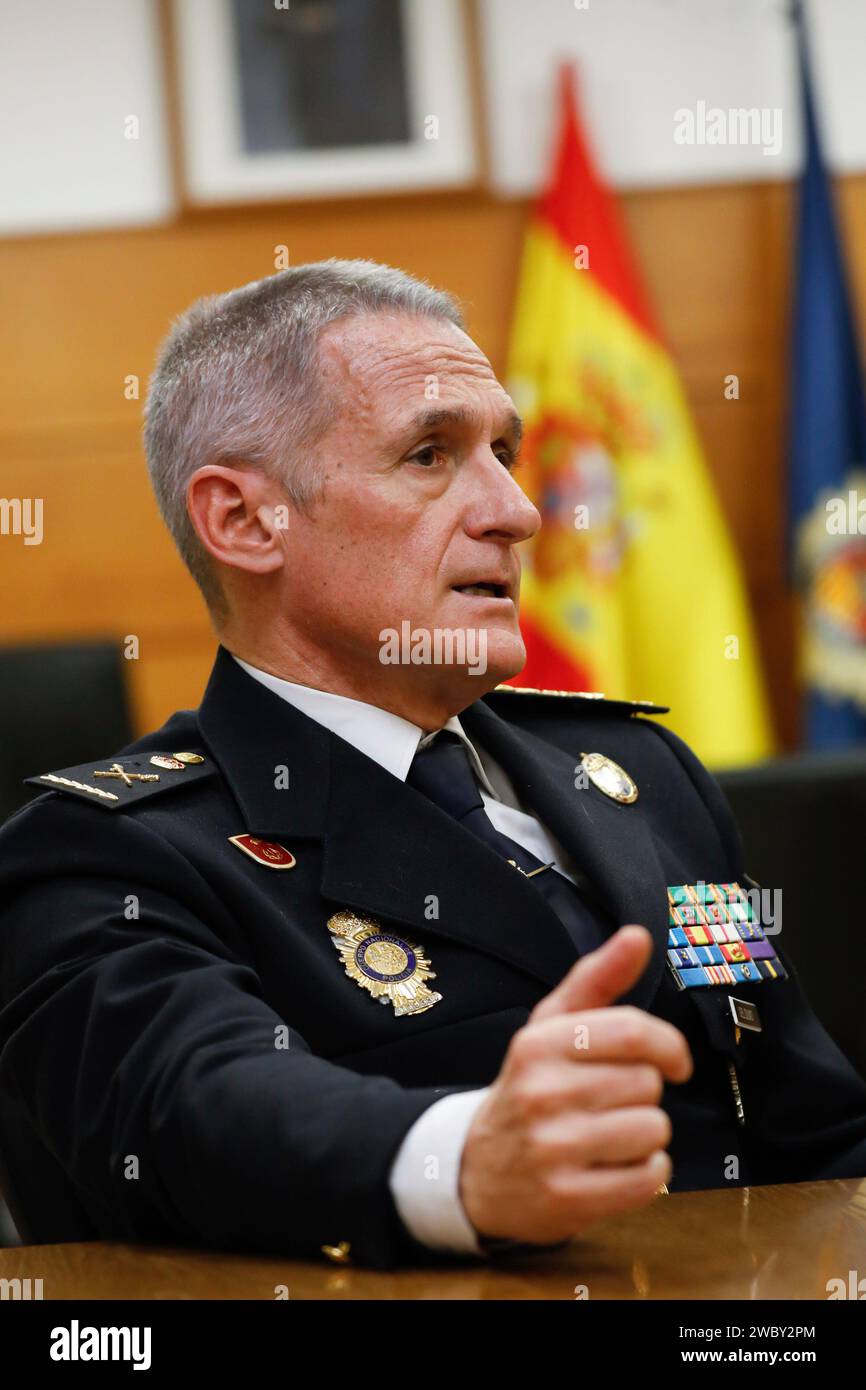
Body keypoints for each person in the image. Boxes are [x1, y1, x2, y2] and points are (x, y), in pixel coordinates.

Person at [1, 259, 864, 1270]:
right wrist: (456, 1158)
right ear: (242, 520)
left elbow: (813, 1128)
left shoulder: (640, 773)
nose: (516, 509)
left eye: (502, 449)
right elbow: (194, 1101)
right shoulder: (104, 852)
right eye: (428, 454)